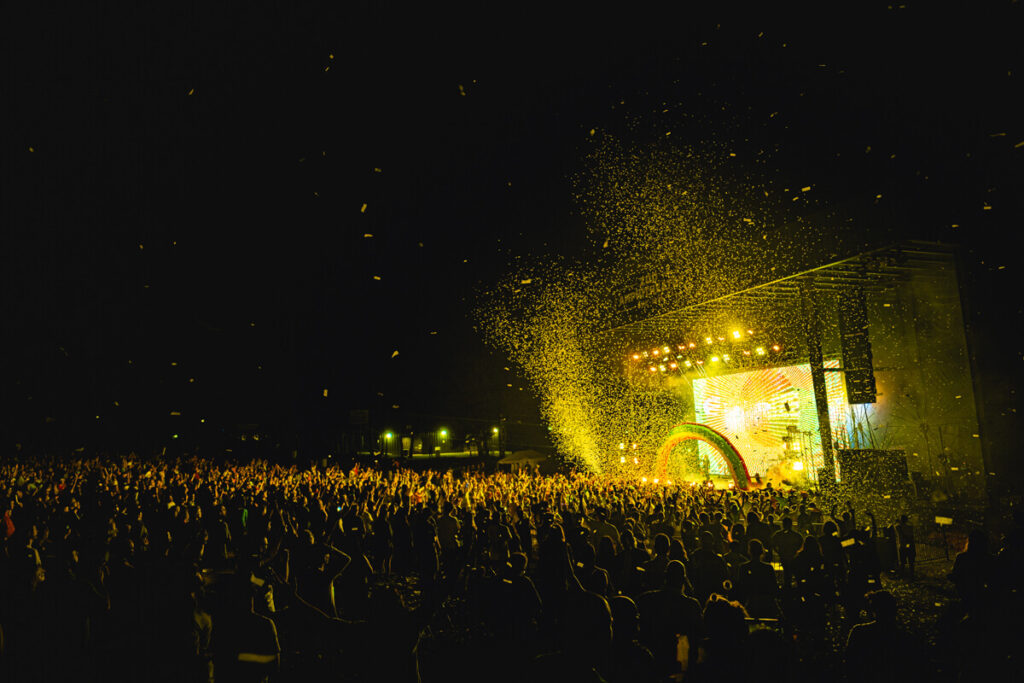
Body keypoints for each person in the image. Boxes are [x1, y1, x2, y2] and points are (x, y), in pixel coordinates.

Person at [636, 560, 703, 678]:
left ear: (665, 576)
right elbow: (697, 637)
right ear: (683, 579)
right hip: (680, 666)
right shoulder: (691, 605)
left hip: (652, 664)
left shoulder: (647, 599)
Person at [895, 514, 916, 579]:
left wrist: (898, 521)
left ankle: (902, 575)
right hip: (910, 545)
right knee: (910, 562)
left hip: (903, 546)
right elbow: (911, 536)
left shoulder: (899, 527)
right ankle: (911, 575)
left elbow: (896, 526)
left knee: (903, 562)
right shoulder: (909, 527)